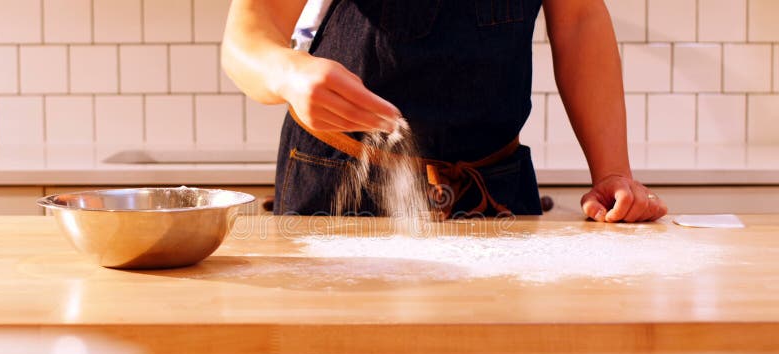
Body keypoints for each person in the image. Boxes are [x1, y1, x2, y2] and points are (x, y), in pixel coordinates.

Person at [222, 0, 669, 223]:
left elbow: (579, 19)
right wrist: (289, 72)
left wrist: (613, 172)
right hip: (341, 195)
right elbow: (247, 34)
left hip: (495, 196)